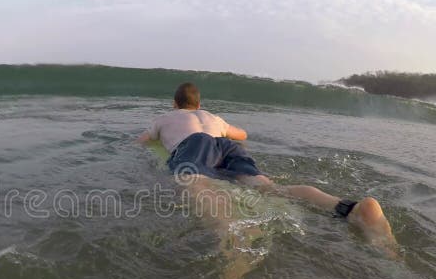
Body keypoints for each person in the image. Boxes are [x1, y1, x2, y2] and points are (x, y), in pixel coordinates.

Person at [138, 82, 396, 258]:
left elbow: (144, 141)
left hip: (194, 144)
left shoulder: (164, 118)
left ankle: (233, 234)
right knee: (269, 188)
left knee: (195, 183)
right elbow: (242, 134)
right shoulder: (213, 118)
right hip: (226, 145)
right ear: (199, 103)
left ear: (175, 104)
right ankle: (349, 209)